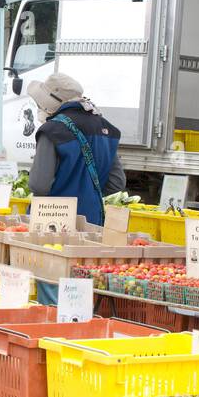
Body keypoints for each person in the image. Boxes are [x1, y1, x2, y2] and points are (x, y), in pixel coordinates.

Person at [27, 72, 125, 305]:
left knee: (53, 287)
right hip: (92, 222)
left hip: (53, 222)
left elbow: (39, 185)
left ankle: (52, 335)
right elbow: (117, 183)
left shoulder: (53, 130)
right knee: (81, 286)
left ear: (52, 102)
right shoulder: (106, 129)